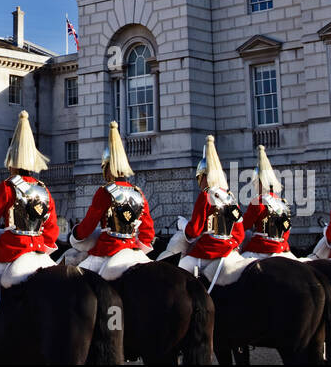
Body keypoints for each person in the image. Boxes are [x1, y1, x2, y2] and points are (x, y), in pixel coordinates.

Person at [0, 110, 60, 311]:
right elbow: (52, 229)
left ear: (12, 161)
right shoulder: (43, 189)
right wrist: (41, 245)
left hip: (12, 250)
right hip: (40, 250)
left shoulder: (7, 187)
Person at [66, 121, 154, 281]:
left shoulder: (104, 192)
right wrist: (136, 248)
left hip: (109, 250)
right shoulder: (138, 192)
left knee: (76, 279)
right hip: (133, 250)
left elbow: (87, 227)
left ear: (107, 168)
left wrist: (76, 234)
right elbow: (148, 232)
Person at [158, 135, 246, 289]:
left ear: (204, 176)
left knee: (175, 271)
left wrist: (183, 224)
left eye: (200, 177)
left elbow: (194, 231)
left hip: (209, 251)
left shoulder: (206, 195)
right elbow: (240, 234)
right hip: (230, 249)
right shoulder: (230, 197)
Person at [240, 144, 295, 260]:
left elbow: (244, 226)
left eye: (255, 182)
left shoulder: (258, 202)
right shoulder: (282, 202)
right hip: (282, 248)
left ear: (260, 182)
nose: (254, 185)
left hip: (261, 248)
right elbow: (286, 230)